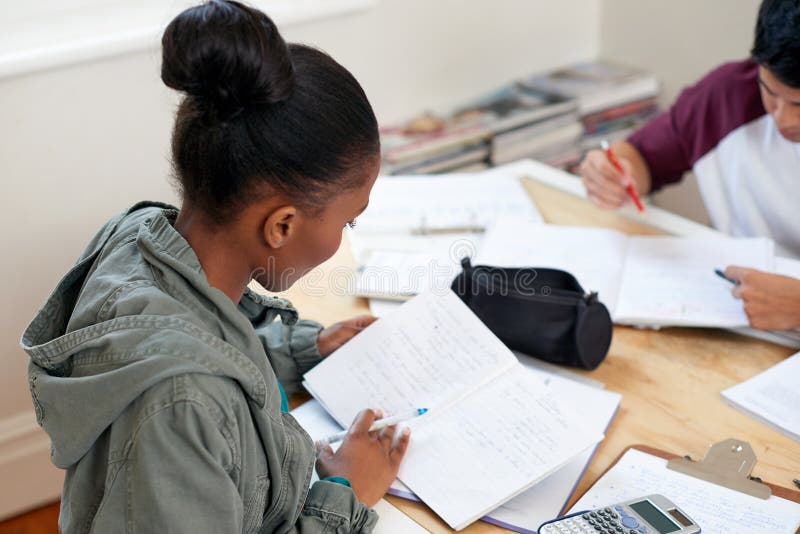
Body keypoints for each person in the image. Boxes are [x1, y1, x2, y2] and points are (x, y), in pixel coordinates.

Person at [20, 1, 409, 532]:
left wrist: (298, 349)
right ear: (282, 226)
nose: (344, 237)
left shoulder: (142, 240)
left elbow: (199, 335)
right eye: (349, 222)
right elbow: (193, 384)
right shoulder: (179, 407)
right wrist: (345, 493)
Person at [578, 0, 800, 331]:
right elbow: (640, 158)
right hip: (733, 322)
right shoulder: (728, 96)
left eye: (799, 104)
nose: (781, 117)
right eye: (770, 91)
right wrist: (614, 172)